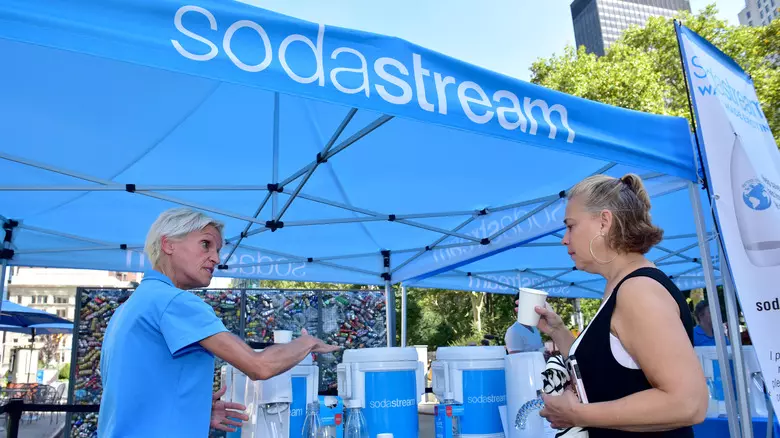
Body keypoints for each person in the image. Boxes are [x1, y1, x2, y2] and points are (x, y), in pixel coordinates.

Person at [98, 208, 339, 437]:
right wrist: (306, 343)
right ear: (168, 243)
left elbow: (133, 392)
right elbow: (259, 366)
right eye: (205, 244)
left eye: (217, 250)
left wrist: (193, 410)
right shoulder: (174, 302)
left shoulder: (129, 308)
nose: (215, 258)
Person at [520, 174, 708, 437]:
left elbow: (689, 403)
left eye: (571, 226)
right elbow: (610, 373)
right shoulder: (621, 287)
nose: (564, 239)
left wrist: (576, 414)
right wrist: (558, 331)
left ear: (604, 222)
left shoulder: (637, 291)